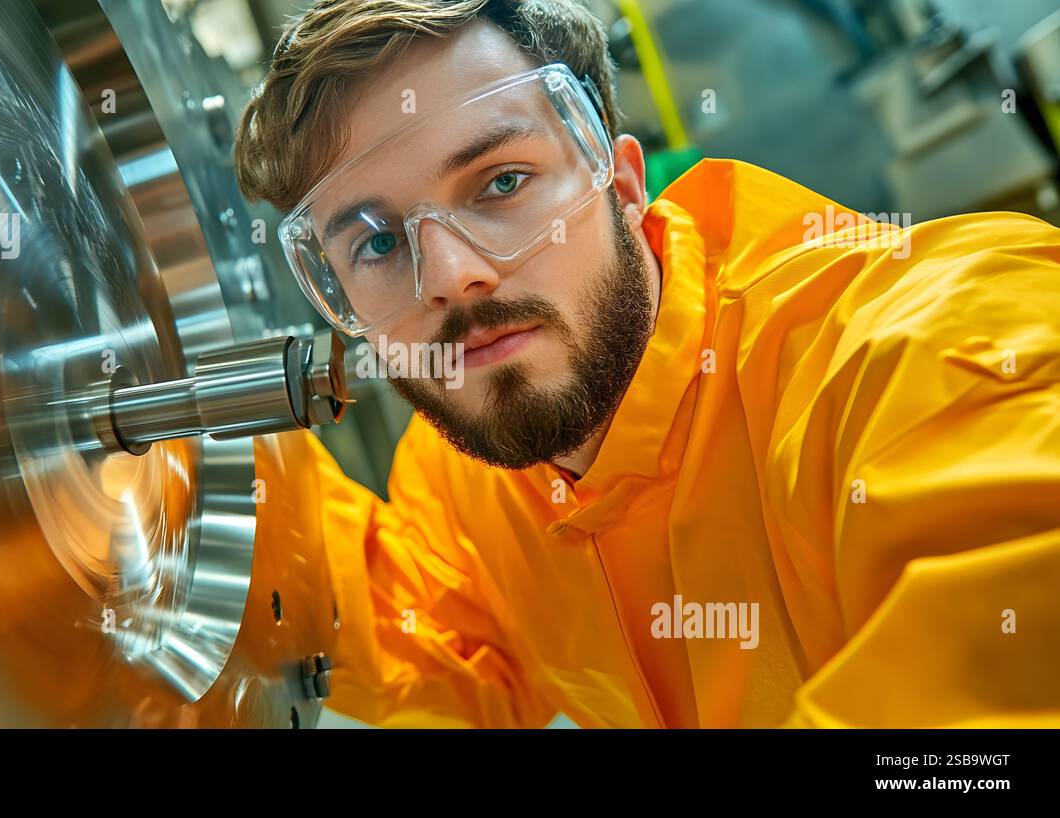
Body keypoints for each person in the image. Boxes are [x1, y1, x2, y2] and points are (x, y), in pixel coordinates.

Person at [235, 0, 1060, 727]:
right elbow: (430, 649)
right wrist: (161, 478)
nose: (452, 276)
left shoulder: (922, 348)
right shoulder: (474, 484)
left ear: (623, 183)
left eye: (502, 182)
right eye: (378, 243)